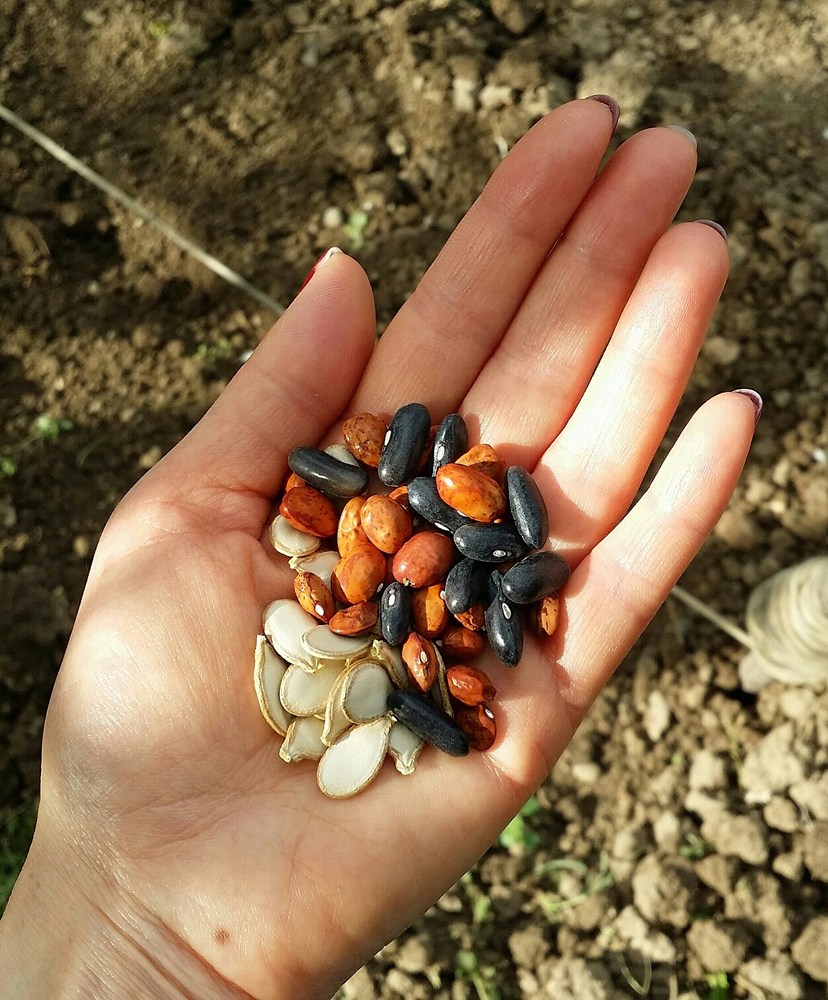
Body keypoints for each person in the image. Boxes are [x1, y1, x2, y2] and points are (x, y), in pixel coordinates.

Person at [0, 96, 760, 998]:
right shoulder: (376, 594)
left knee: (422, 573)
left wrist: (121, 926)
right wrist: (127, 923)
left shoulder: (424, 595)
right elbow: (392, 588)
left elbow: (422, 587)